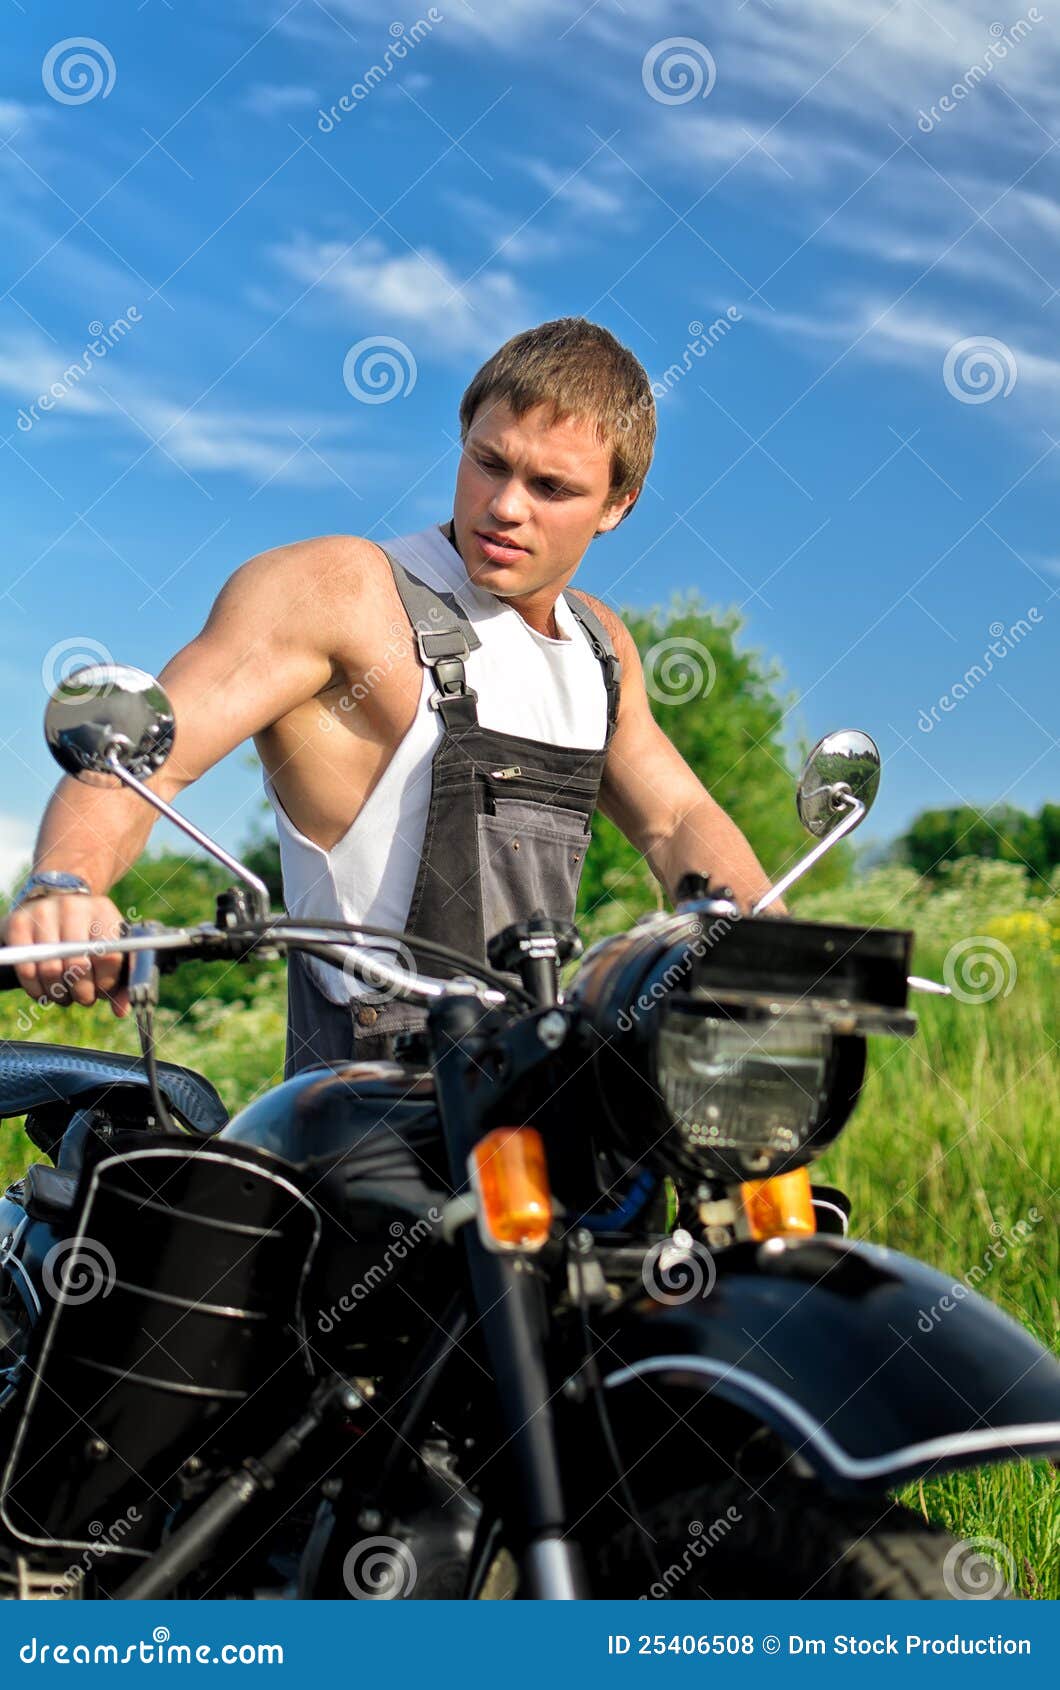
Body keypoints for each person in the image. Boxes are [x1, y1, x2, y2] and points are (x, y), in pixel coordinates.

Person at [1, 317, 782, 1076]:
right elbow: (145, 757)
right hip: (370, 1104)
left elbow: (676, 818)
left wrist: (779, 950)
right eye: (489, 463)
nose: (506, 506)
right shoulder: (342, 593)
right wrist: (65, 887)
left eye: (551, 487)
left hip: (541, 1086)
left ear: (618, 505)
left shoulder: (599, 648)